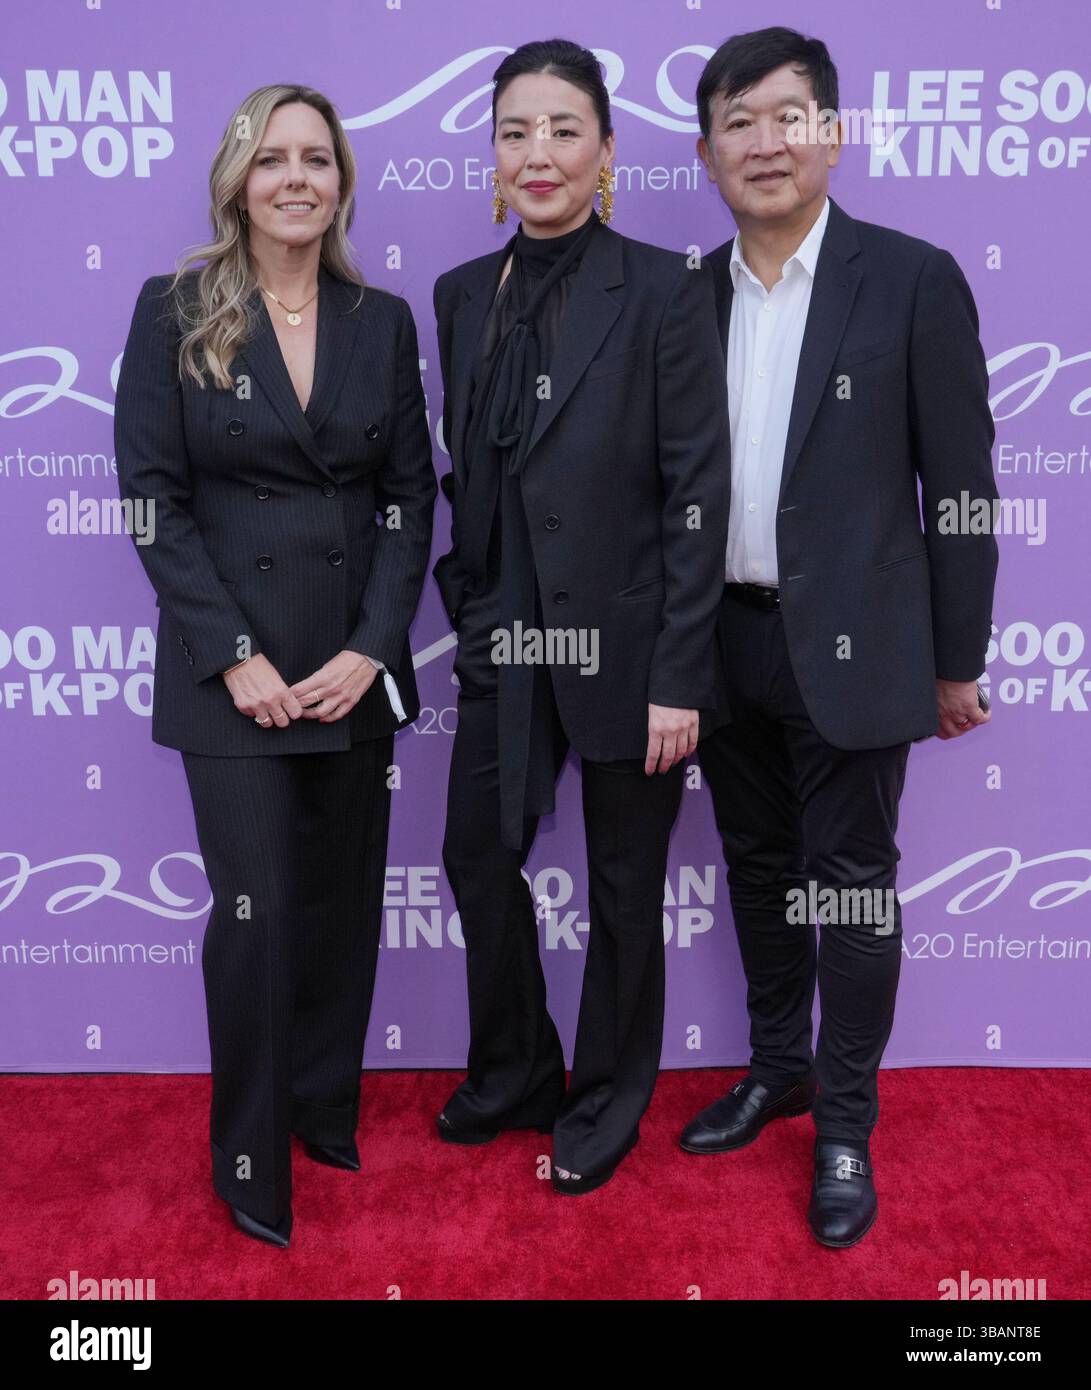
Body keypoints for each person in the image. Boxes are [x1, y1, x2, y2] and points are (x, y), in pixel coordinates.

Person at [680, 27, 999, 1247]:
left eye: (785, 115)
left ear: (832, 131)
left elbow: (957, 488)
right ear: (707, 153)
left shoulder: (908, 278)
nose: (763, 141)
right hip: (721, 645)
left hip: (864, 647)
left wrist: (953, 657)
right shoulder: (683, 294)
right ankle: (778, 1067)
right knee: (757, 873)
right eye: (736, 122)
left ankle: (847, 1124)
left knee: (852, 891)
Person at [113, 84, 436, 1247]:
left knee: (342, 907)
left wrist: (369, 647)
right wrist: (233, 654)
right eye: (272, 158)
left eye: (317, 158)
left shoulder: (382, 319)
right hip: (227, 676)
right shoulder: (175, 308)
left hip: (352, 671)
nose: (296, 177)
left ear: (341, 181)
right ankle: (248, 1149)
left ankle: (321, 1107)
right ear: (237, 180)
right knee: (255, 912)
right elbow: (151, 501)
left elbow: (409, 503)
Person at [432, 39, 729, 1195]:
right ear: (493, 154)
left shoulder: (660, 286)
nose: (537, 153)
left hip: (628, 640)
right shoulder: (462, 294)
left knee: (620, 885)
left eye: (563, 130)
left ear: (605, 150)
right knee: (474, 852)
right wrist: (470, 604)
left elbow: (697, 491)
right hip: (505, 633)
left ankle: (606, 1095)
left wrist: (677, 672)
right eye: (515, 131)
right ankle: (514, 1066)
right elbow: (472, 472)